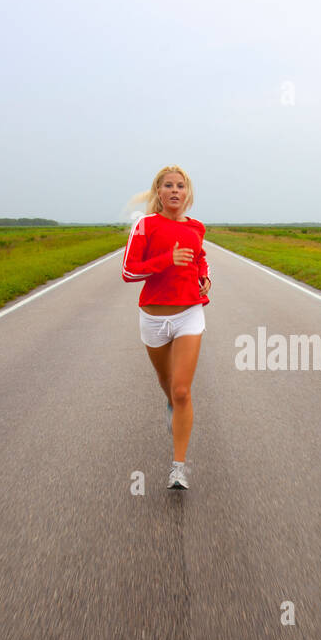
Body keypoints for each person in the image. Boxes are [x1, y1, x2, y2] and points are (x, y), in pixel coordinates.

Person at [121, 165, 212, 490]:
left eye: (181, 186)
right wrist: (166, 261)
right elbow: (129, 272)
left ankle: (178, 468)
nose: (175, 191)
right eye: (168, 186)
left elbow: (200, 258)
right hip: (154, 317)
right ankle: (171, 405)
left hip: (189, 312)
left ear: (187, 193)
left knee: (183, 389)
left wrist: (204, 277)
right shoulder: (145, 226)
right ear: (158, 192)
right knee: (166, 381)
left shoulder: (197, 227)